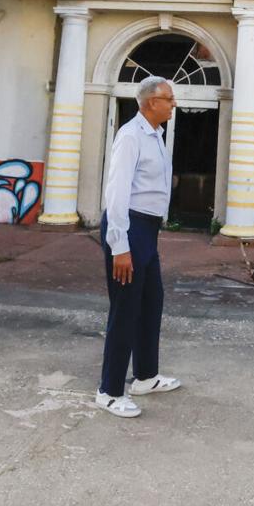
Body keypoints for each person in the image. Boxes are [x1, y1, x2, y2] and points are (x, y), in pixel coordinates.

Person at [95, 75, 184, 418]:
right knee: (125, 307)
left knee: (151, 301)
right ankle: (109, 390)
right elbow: (116, 193)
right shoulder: (131, 136)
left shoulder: (156, 136)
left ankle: (145, 376)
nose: (173, 103)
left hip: (148, 229)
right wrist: (119, 245)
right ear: (150, 103)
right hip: (129, 227)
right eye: (168, 98)